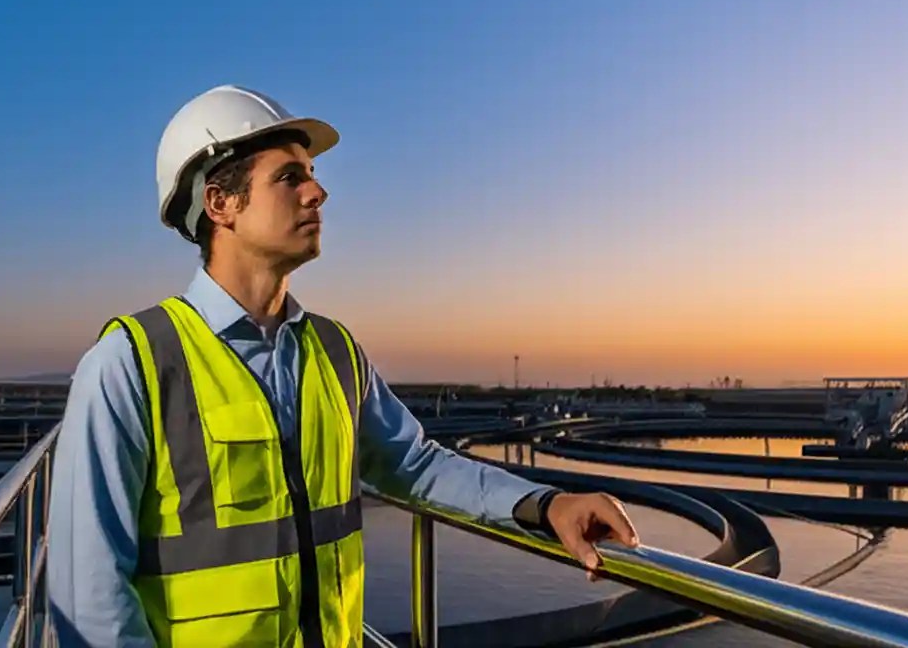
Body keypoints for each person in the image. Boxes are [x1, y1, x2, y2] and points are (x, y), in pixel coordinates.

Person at [45, 84, 640, 647]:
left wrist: (543, 503)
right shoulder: (132, 362)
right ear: (221, 203)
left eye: (314, 175)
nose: (317, 192)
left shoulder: (333, 351)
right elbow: (90, 595)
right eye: (290, 177)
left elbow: (415, 465)